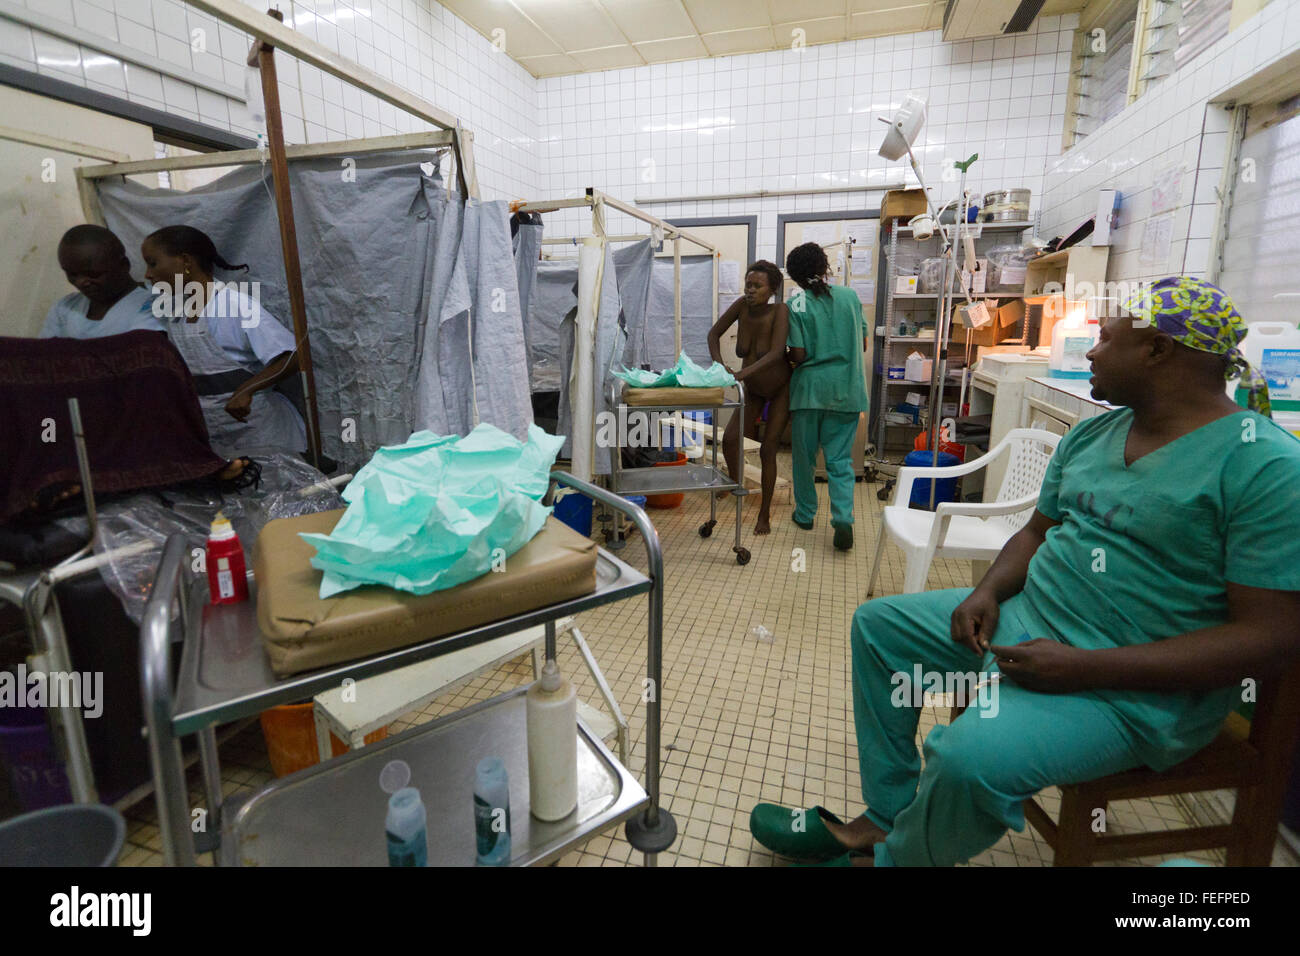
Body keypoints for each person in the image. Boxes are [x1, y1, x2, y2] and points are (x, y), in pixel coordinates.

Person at [747, 276, 1300, 867]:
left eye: (1105, 338)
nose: (1089, 350)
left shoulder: (1264, 467)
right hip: (1029, 624)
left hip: (1130, 687)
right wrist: (987, 591)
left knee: (967, 759)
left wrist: (1086, 667)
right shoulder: (1096, 433)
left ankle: (899, 860)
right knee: (880, 628)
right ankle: (887, 817)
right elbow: (1036, 532)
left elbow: (1267, 637)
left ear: (1158, 351)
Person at [142, 225, 306, 459]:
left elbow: (292, 356)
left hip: (259, 435)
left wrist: (247, 389)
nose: (148, 274)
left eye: (153, 263)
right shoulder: (177, 313)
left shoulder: (235, 305)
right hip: (214, 436)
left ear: (185, 261)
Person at [783, 242, 868, 551]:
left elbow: (799, 353)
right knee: (840, 461)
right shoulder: (850, 297)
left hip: (808, 392)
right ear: (824, 267)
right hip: (846, 391)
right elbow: (863, 343)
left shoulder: (796, 305)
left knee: (804, 458)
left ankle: (805, 515)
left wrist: (789, 359)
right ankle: (843, 517)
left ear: (794, 275)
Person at [707, 260, 791, 535]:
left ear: (772, 289)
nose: (750, 290)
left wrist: (742, 374)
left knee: (768, 449)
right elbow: (713, 334)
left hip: (780, 389)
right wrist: (720, 366)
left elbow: (777, 353)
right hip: (752, 389)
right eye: (748, 284)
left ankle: (764, 513)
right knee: (730, 440)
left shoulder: (780, 310)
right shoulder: (741, 307)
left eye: (757, 286)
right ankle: (734, 480)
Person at [40, 225, 163, 339]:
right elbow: (46, 357)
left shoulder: (155, 304)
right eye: (72, 274)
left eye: (93, 274)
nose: (81, 282)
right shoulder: (64, 307)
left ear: (124, 265)